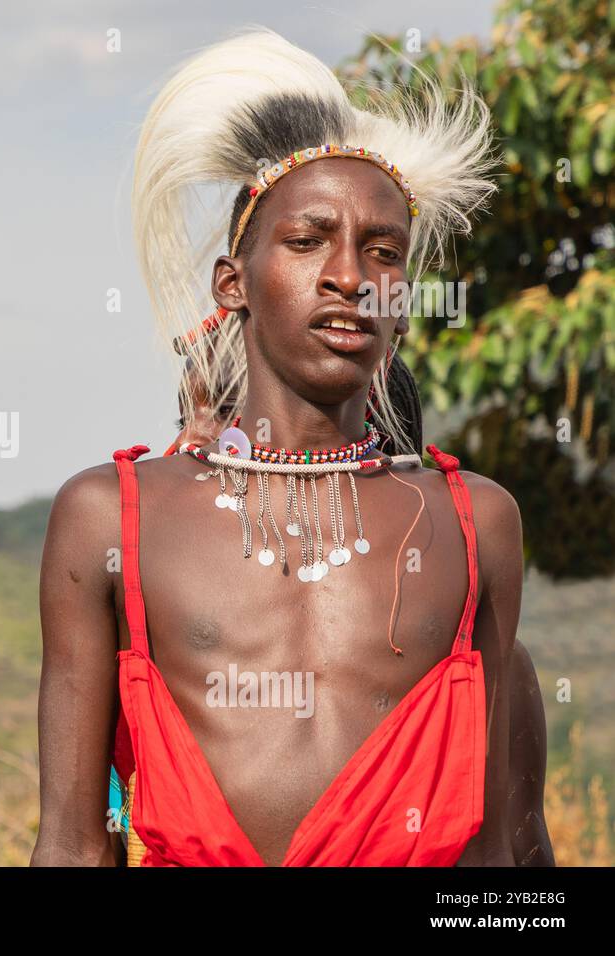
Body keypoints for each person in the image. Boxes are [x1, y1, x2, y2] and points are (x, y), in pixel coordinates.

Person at [33, 29, 552, 866]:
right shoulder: (110, 519)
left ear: (404, 303)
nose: (350, 275)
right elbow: (71, 845)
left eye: (382, 252)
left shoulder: (475, 523)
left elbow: (492, 853)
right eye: (309, 241)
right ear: (232, 282)